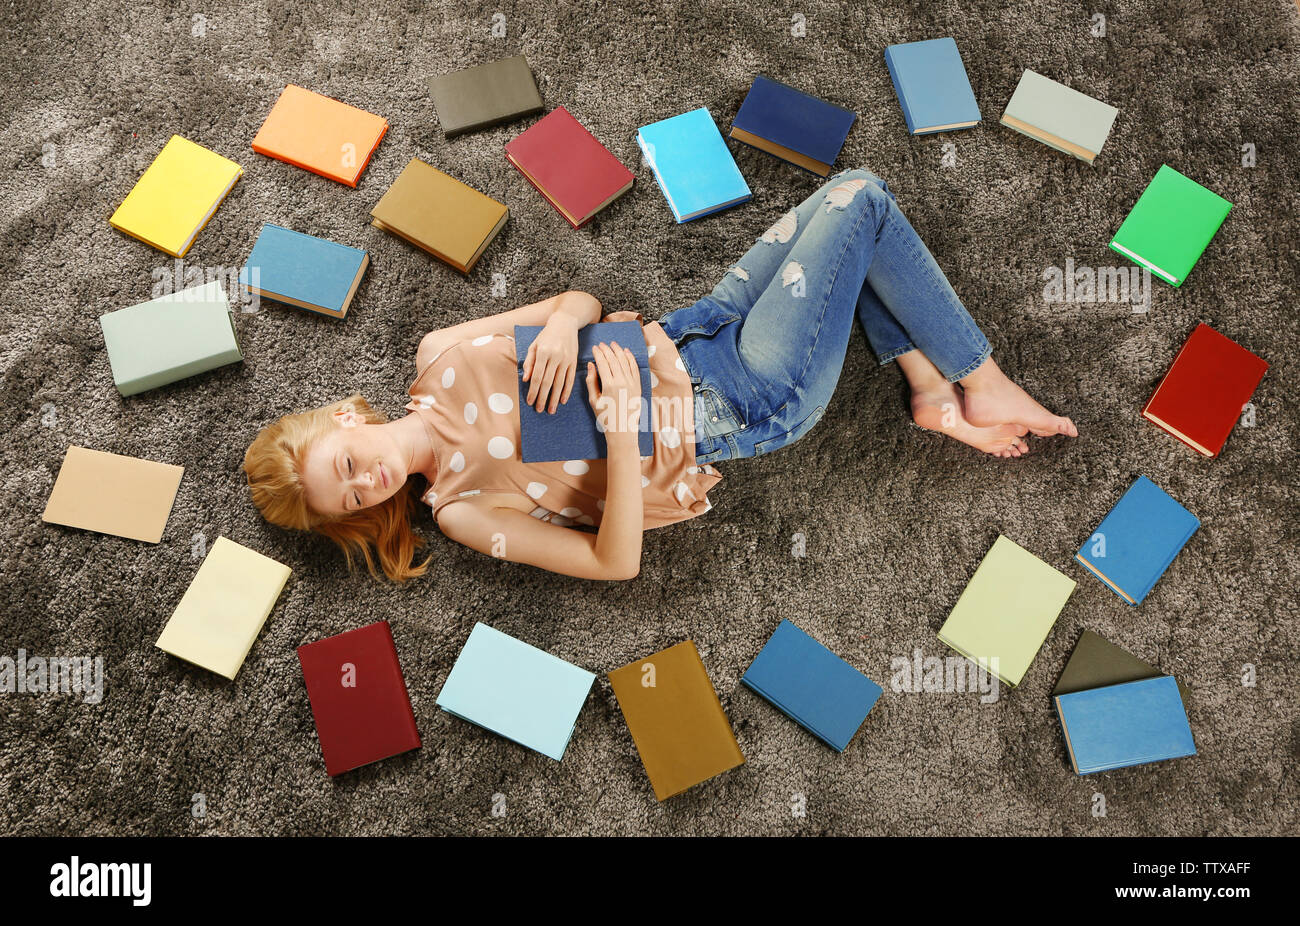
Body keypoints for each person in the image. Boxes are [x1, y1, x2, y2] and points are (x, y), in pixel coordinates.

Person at [244, 168, 1077, 582]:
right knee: (860, 200)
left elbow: (576, 300)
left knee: (847, 220)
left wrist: (563, 328)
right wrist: (617, 428)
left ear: (345, 420)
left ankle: (933, 393)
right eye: (350, 500)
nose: (366, 482)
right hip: (743, 400)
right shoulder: (461, 512)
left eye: (345, 465)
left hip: (696, 324)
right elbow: (615, 564)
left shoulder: (437, 353)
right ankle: (980, 380)